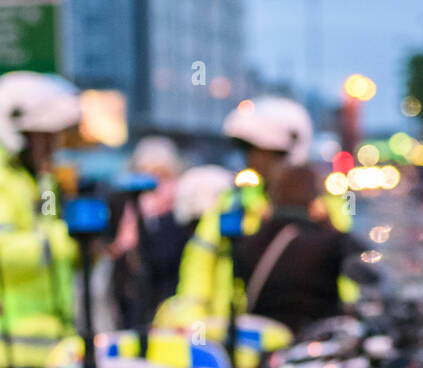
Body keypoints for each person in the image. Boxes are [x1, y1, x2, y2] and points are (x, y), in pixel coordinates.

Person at [155, 95, 349, 341]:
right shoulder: (231, 202)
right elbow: (198, 266)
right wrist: (193, 322)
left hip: (307, 340)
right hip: (232, 342)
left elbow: (345, 275)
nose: (251, 160)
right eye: (247, 151)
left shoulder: (326, 209)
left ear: (288, 152)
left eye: (261, 152)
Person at [0, 71, 82, 368]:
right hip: (5, 352)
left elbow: (47, 231)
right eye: (45, 136)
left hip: (49, 348)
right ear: (18, 132)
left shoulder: (40, 179)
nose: (54, 145)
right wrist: (68, 241)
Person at [232, 165, 373, 338]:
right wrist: (329, 223)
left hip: (260, 343)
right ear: (316, 200)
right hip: (315, 345)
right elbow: (368, 268)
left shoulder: (250, 241)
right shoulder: (330, 241)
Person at [108, 136, 185, 326]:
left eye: (162, 174)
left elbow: (166, 259)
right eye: (148, 173)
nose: (154, 183)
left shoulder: (180, 214)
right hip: (130, 307)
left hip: (166, 309)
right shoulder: (126, 210)